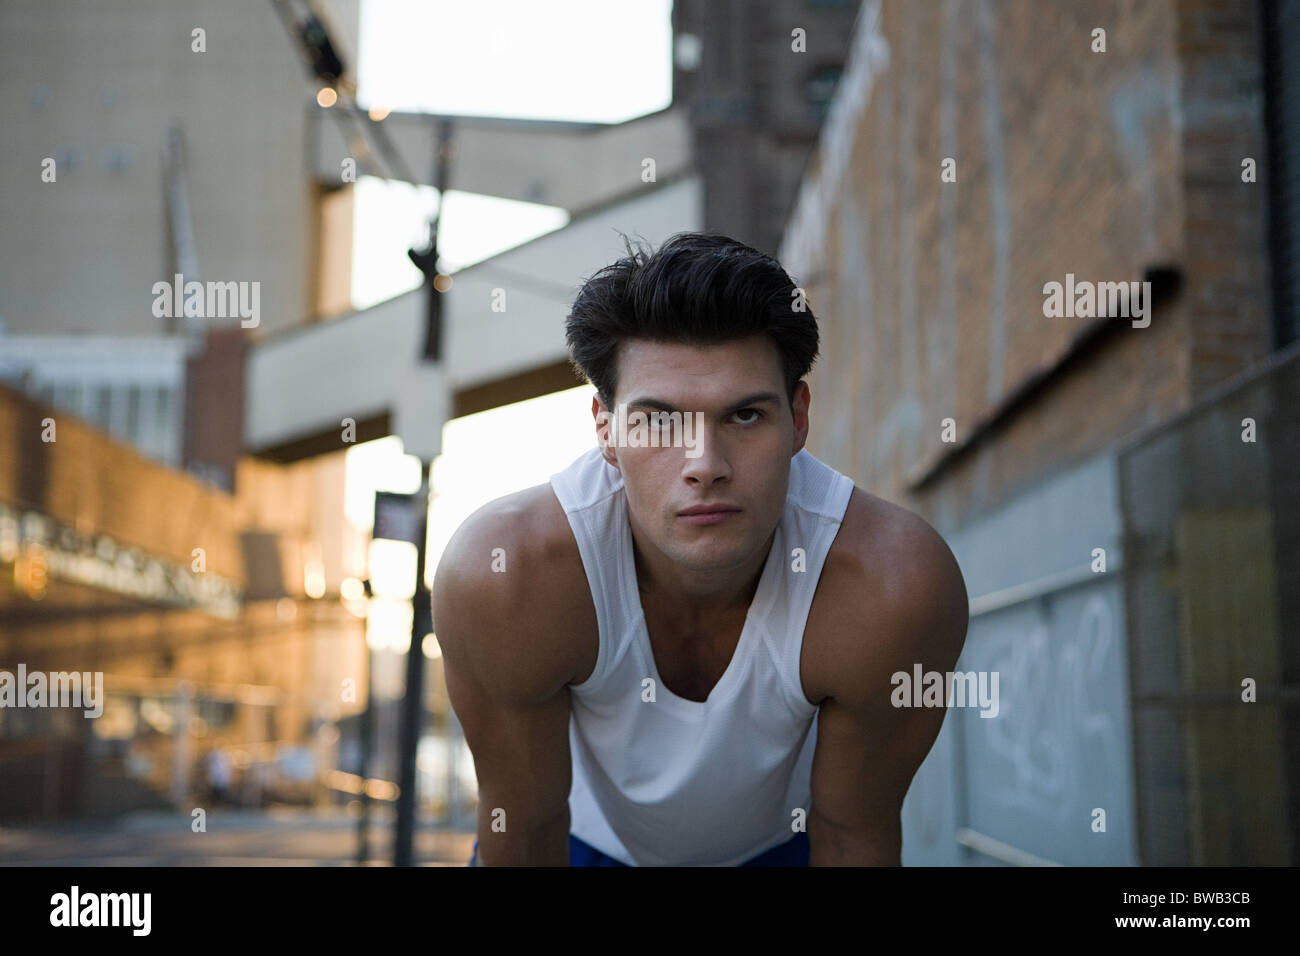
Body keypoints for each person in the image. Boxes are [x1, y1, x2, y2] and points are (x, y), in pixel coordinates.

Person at [436, 232, 969, 866]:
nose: (705, 465)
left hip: (783, 851)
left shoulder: (890, 584)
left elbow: (853, 833)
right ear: (606, 429)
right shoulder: (508, 576)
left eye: (744, 416)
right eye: (659, 420)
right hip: (577, 843)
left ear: (799, 418)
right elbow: (524, 829)